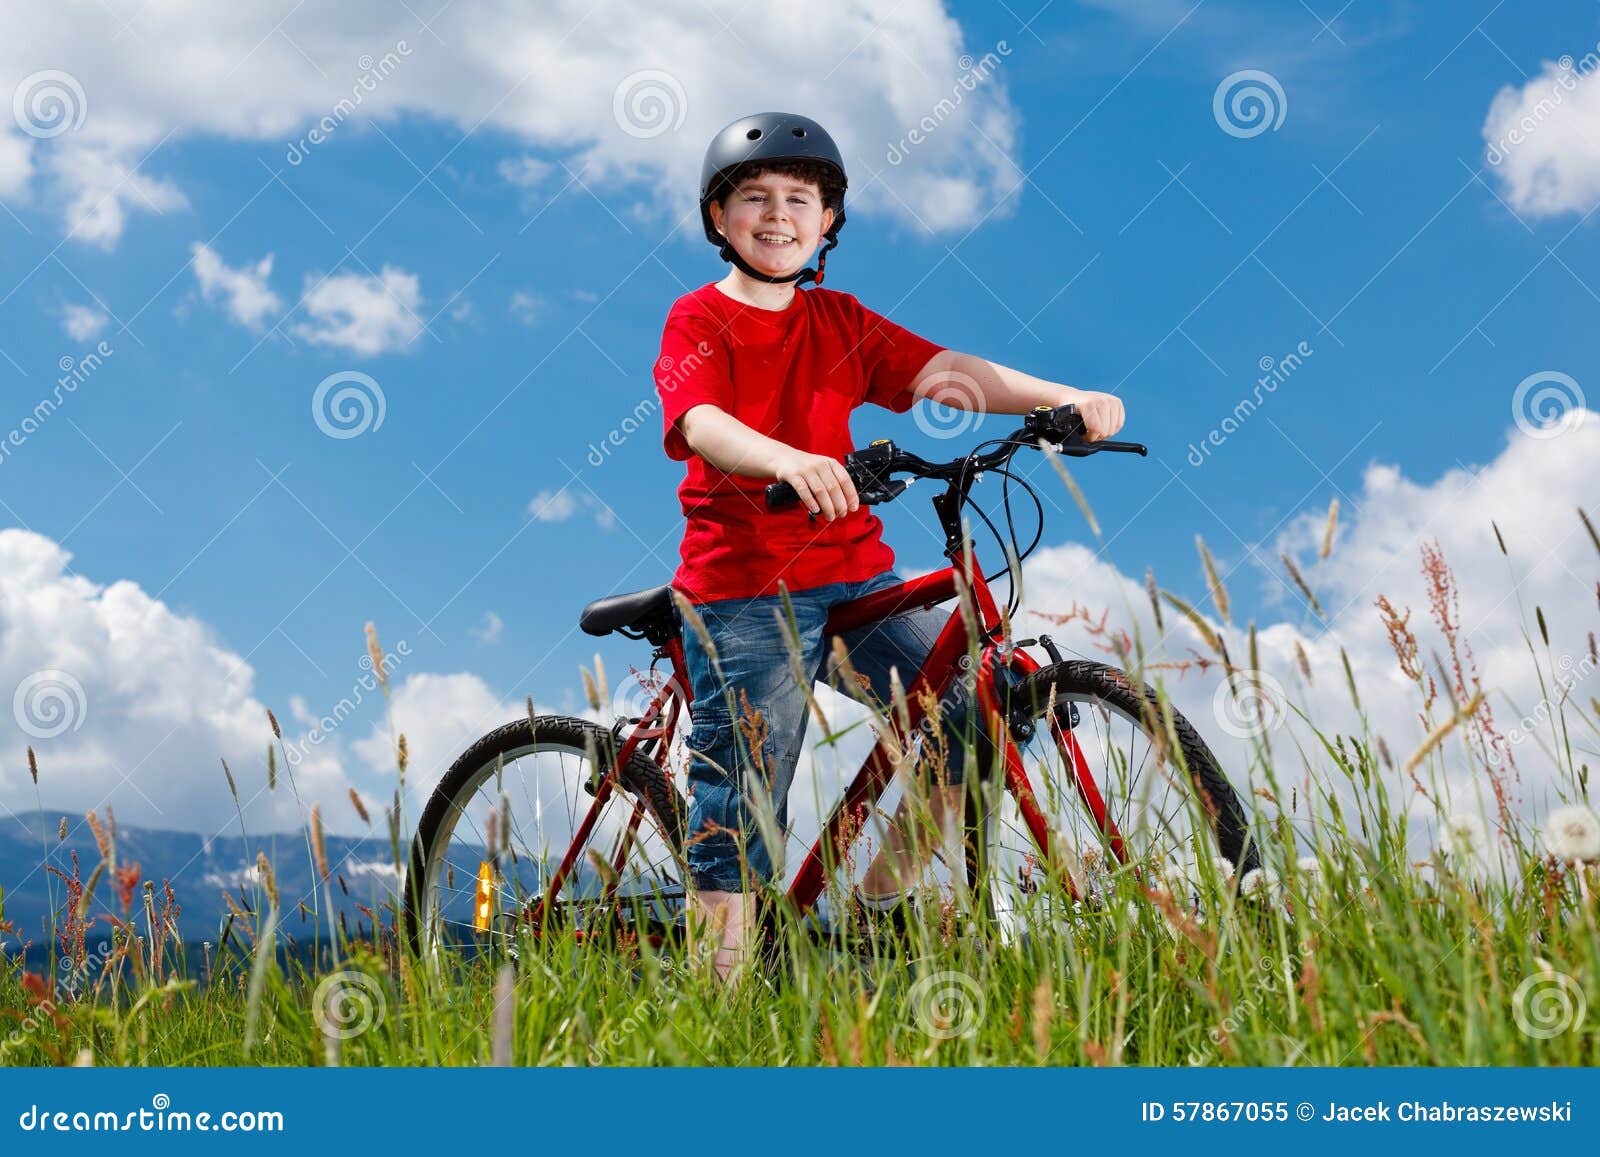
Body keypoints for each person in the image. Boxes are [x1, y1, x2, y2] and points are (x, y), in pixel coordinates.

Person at [655, 112, 1125, 979]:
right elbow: (702, 420)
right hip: (745, 586)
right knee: (743, 808)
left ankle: (874, 914)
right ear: (717, 217)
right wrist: (786, 458)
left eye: (802, 198)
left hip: (853, 577)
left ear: (829, 219)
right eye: (754, 197)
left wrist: (1065, 399)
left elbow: (944, 371)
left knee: (970, 721)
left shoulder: (838, 320)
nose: (778, 214)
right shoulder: (697, 320)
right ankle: (710, 1020)